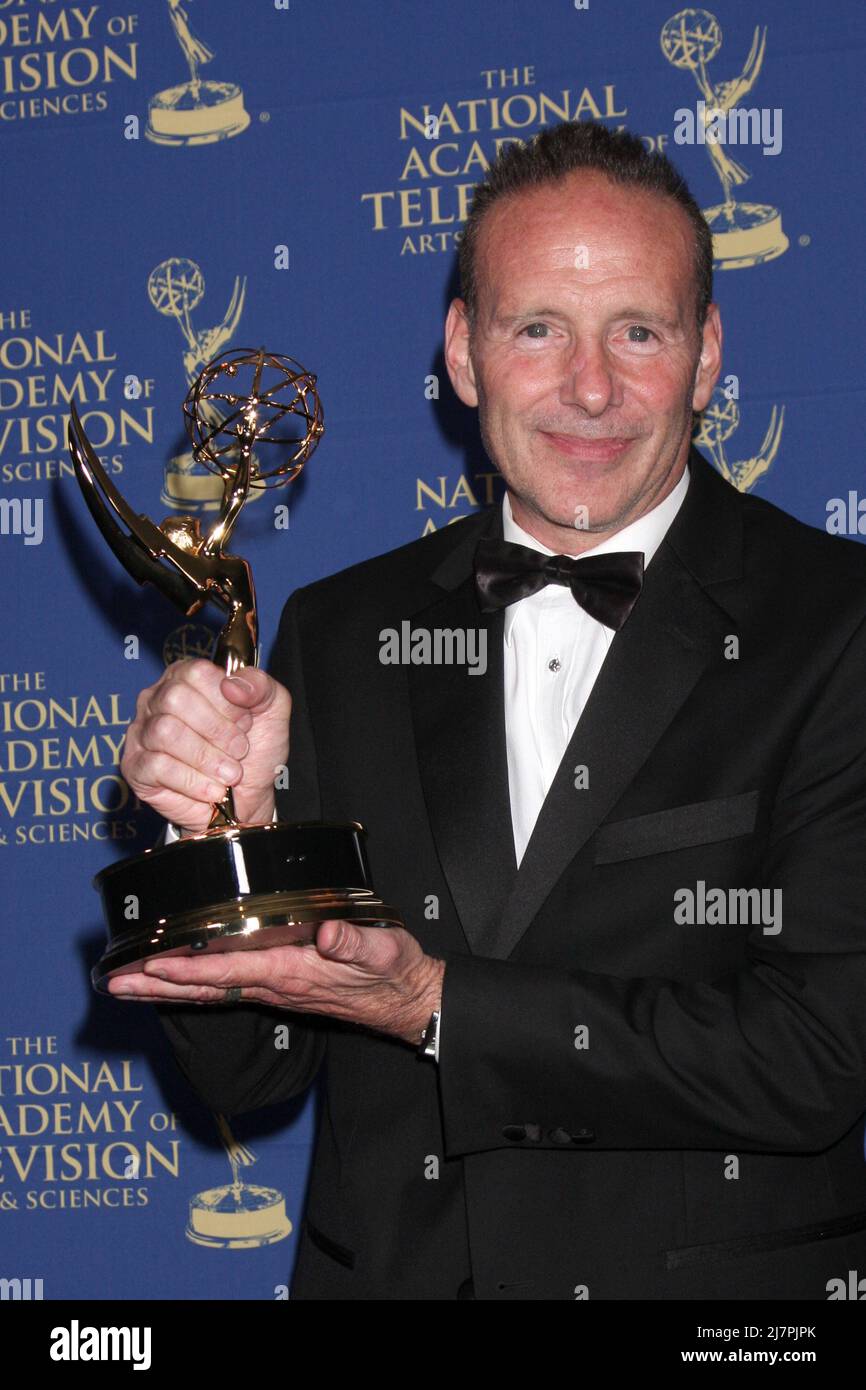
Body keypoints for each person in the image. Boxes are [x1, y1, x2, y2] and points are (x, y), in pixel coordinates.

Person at [111, 121, 866, 1300]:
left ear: (706, 354)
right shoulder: (335, 630)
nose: (589, 388)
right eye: (535, 330)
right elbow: (251, 1072)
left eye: (637, 330)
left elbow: (816, 1054)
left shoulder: (836, 625)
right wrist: (220, 832)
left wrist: (435, 1004)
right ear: (461, 354)